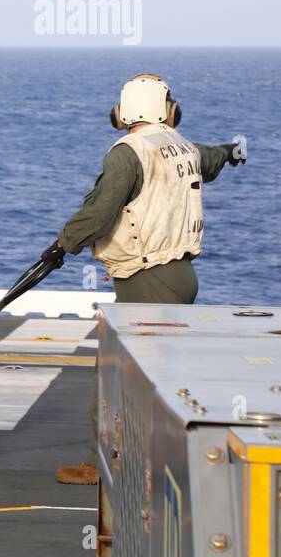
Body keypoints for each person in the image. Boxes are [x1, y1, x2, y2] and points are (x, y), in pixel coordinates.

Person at [48, 74, 245, 486]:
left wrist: (62, 245)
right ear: (165, 109)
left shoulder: (129, 152)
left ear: (124, 112)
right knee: (158, 375)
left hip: (147, 277)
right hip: (179, 275)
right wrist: (230, 152)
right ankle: (153, 461)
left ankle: (105, 464)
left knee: (116, 374)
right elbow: (210, 158)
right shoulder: (180, 145)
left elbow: (100, 211)